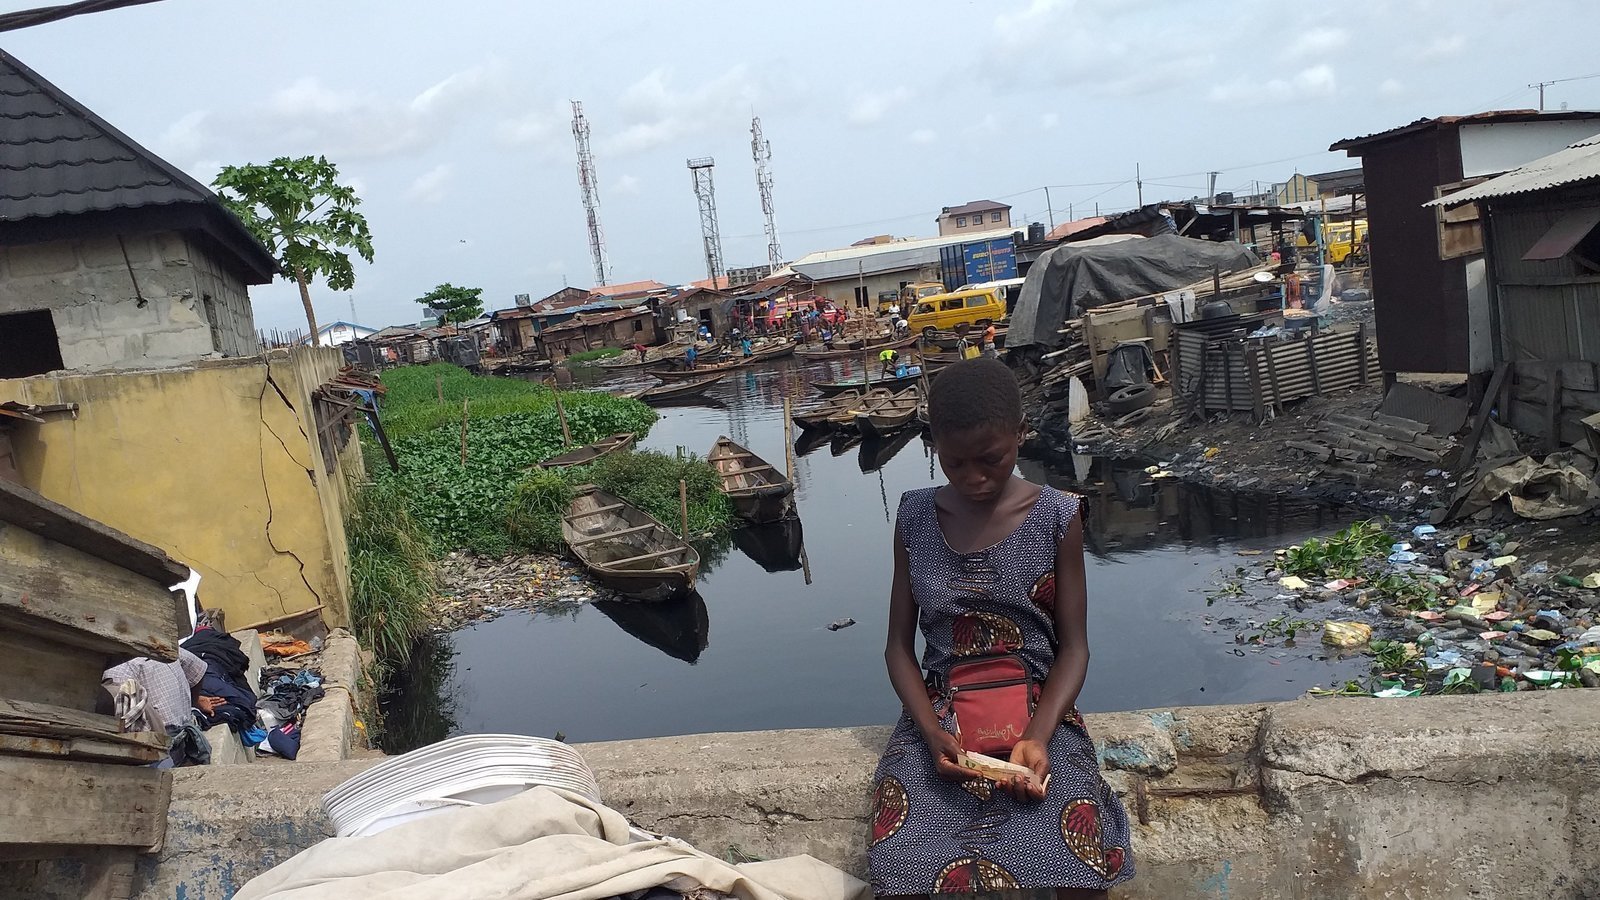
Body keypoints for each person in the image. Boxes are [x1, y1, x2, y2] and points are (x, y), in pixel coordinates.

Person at [869, 358, 1133, 898]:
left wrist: (1037, 737)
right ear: (934, 444)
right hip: (942, 710)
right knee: (900, 858)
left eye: (991, 459)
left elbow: (1075, 648)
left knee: (1076, 852)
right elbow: (898, 647)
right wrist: (929, 732)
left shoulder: (1058, 516)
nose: (973, 477)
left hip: (1040, 708)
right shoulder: (915, 517)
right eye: (955, 461)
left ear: (1020, 434)